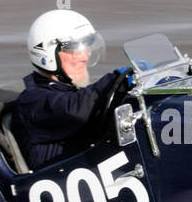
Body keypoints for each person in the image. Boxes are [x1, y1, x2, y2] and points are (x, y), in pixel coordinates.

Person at [12, 10, 128, 170]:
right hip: (55, 184)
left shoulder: (70, 92)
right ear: (47, 54)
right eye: (74, 48)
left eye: (87, 46)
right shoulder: (31, 101)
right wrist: (118, 80)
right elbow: (74, 109)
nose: (85, 55)